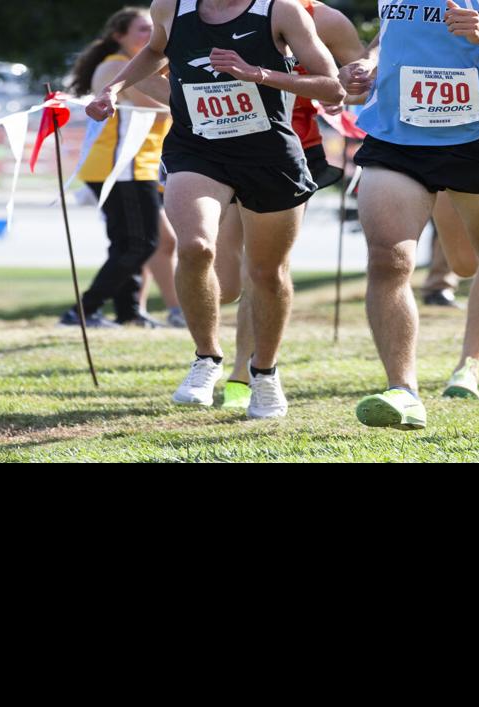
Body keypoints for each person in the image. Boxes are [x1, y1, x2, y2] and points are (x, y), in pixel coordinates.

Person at [88, 0, 346, 417]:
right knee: (194, 247)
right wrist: (113, 89)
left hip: (269, 155)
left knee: (266, 272)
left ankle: (264, 372)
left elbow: (331, 86)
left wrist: (256, 74)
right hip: (197, 149)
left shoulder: (280, 12)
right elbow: (156, 51)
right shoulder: (169, 7)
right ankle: (206, 358)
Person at [339, 0, 479, 426]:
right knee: (388, 259)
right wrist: (366, 62)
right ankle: (403, 391)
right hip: (395, 134)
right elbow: (388, 33)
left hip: (478, 136)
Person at [212, 0, 363, 410]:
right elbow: (164, 66)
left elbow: (355, 80)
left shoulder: (324, 19)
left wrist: (353, 81)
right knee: (223, 282)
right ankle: (214, 356)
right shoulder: (209, 10)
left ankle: (247, 371)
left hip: (291, 149)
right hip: (217, 149)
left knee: (262, 268)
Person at [58, 6, 174, 330]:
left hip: (131, 165)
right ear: (118, 36)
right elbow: (162, 107)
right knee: (142, 243)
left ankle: (128, 312)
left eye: (153, 28)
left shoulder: (132, 65)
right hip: (122, 166)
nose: (150, 34)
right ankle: (83, 311)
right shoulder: (120, 66)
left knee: (125, 242)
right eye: (141, 29)